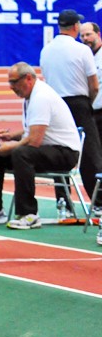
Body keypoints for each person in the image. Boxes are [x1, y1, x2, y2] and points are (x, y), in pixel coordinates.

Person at [0, 62, 81, 230]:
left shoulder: (41, 97)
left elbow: (34, 140)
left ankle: (28, 214)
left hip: (65, 153)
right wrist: (12, 136)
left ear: (28, 78)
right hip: (49, 149)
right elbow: (33, 129)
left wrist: (10, 147)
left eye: (14, 82)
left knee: (21, 153)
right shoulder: (31, 97)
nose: (11, 87)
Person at [39, 9, 101, 218]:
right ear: (75, 27)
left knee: (59, 152)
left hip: (56, 104)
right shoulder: (81, 50)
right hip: (79, 103)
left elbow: (46, 80)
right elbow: (94, 85)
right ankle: (98, 202)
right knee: (91, 154)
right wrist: (88, 104)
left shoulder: (46, 50)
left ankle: (63, 204)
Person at [80, 21, 102, 218]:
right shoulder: (84, 58)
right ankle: (98, 203)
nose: (85, 39)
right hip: (91, 115)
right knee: (87, 162)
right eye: (82, 36)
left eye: (88, 35)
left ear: (98, 34)